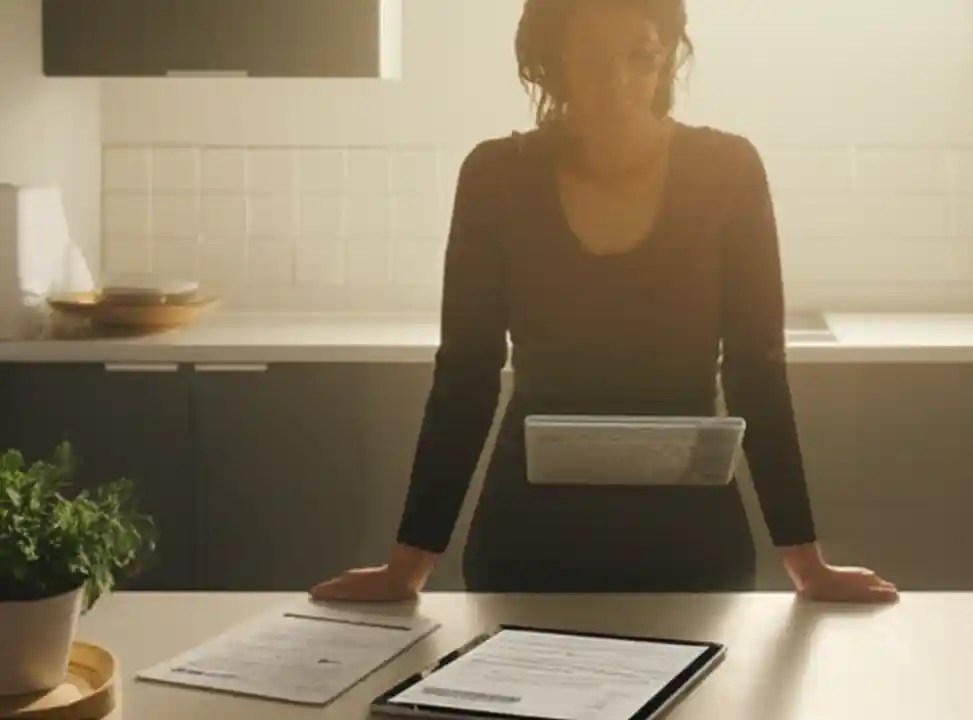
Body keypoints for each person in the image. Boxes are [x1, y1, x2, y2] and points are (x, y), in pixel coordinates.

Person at [310, 0, 897, 603]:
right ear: (552, 60)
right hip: (530, 538)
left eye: (639, 56)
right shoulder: (496, 177)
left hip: (690, 541)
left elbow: (757, 369)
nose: (616, 81)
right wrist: (408, 565)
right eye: (591, 57)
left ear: (667, 54)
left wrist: (806, 562)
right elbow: (466, 374)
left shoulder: (727, 169)